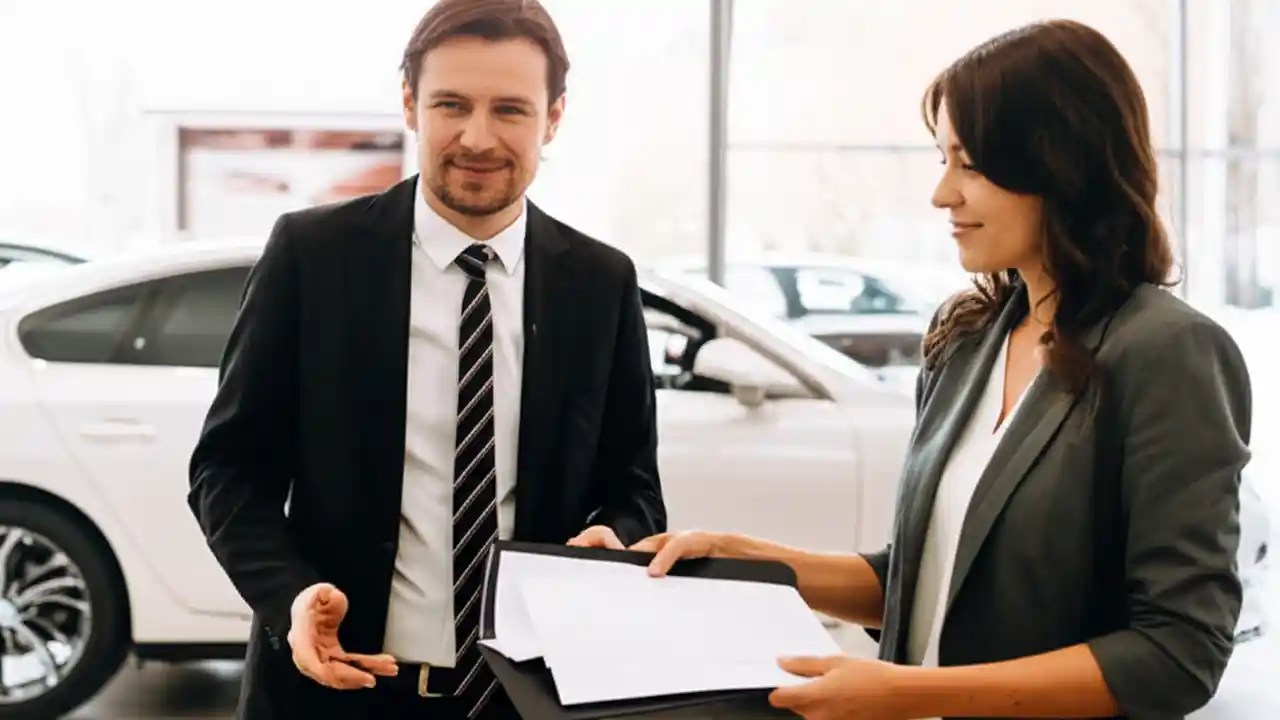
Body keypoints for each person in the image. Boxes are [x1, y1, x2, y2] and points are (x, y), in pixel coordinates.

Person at [633, 19, 1251, 720]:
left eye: (972, 164)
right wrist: (739, 558)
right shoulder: (966, 338)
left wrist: (906, 693)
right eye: (942, 159)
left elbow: (1177, 654)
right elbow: (921, 577)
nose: (943, 195)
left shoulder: (1168, 352)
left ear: (1062, 165)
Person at [187, 1, 665, 718]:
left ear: (554, 118)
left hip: (531, 698)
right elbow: (228, 470)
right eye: (451, 104)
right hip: (340, 689)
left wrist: (616, 539)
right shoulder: (314, 258)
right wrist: (290, 596)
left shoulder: (601, 283)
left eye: (510, 109)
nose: (478, 137)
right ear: (411, 104)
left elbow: (635, 485)